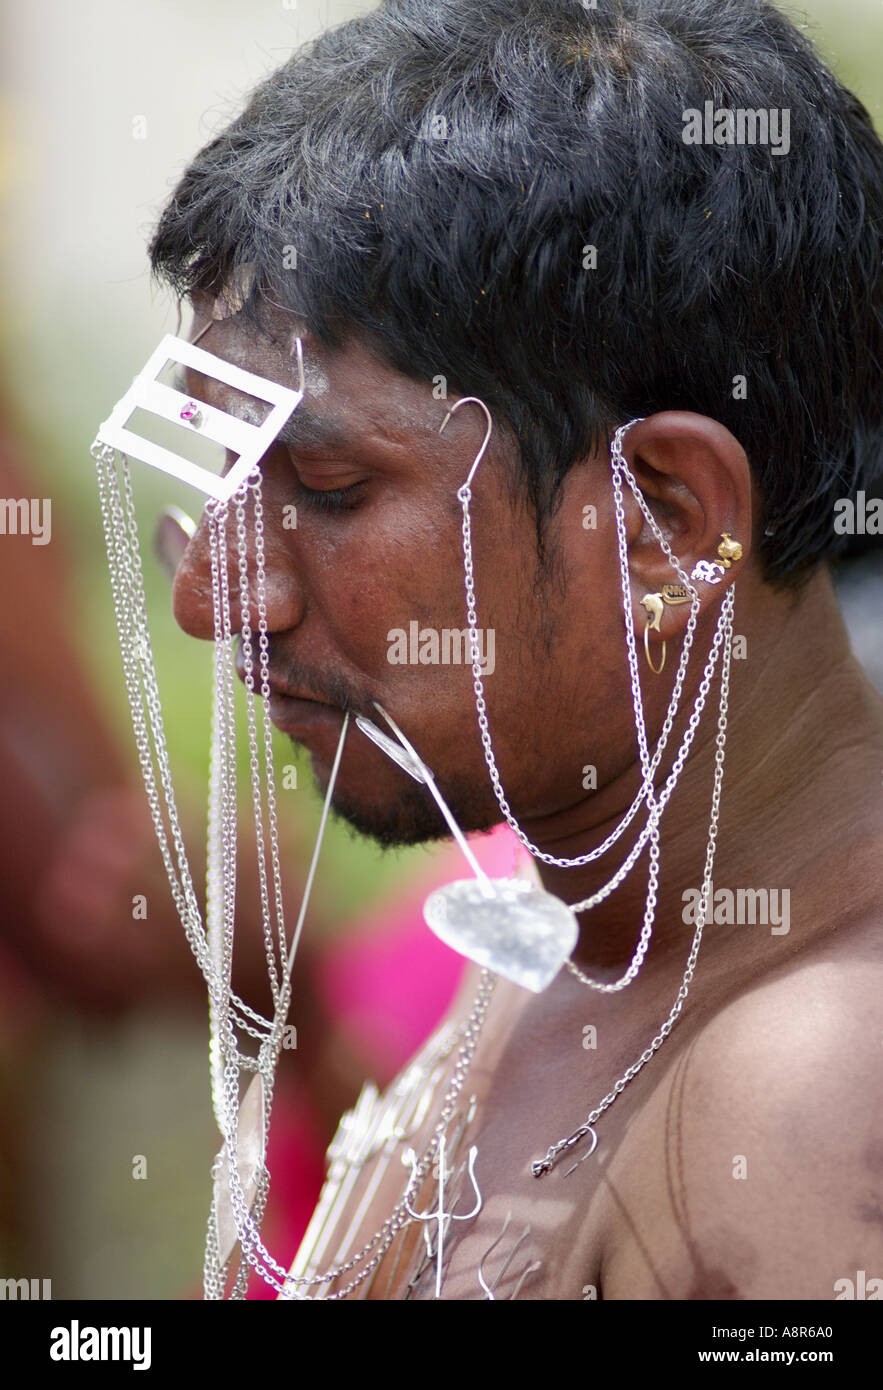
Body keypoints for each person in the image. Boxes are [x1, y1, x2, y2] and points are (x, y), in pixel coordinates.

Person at [143, 0, 883, 1299]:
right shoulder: (572, 928)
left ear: (664, 520)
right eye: (222, 477)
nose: (215, 593)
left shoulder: (806, 1092)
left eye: (324, 487)